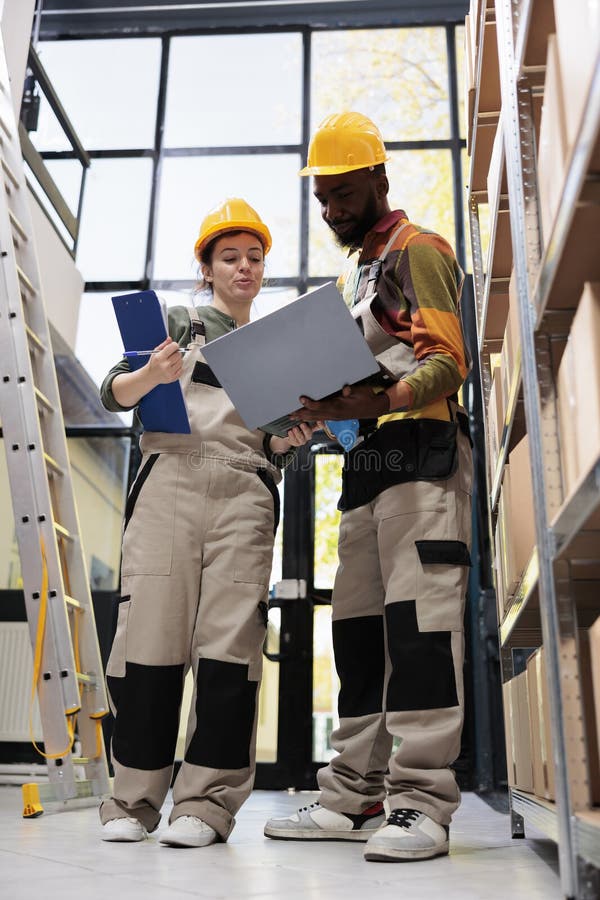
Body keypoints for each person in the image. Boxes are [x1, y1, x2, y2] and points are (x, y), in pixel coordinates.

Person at [264, 112, 473, 862]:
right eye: (322, 198)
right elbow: (365, 381)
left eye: (343, 194)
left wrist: (376, 402)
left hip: (422, 456)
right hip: (367, 469)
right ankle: (354, 794)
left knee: (418, 630)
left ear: (379, 180)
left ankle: (422, 804)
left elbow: (449, 362)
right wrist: (322, 410)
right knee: (357, 637)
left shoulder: (420, 252)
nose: (331, 211)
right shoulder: (358, 276)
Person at [99, 198, 315, 848]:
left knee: (230, 649)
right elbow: (115, 392)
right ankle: (132, 802)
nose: (244, 267)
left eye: (254, 257)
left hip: (245, 493)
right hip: (170, 482)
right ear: (208, 269)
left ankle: (206, 804)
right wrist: (150, 373)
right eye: (230, 257)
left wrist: (295, 437)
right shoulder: (175, 324)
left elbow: (277, 443)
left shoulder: (278, 350)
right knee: (150, 643)